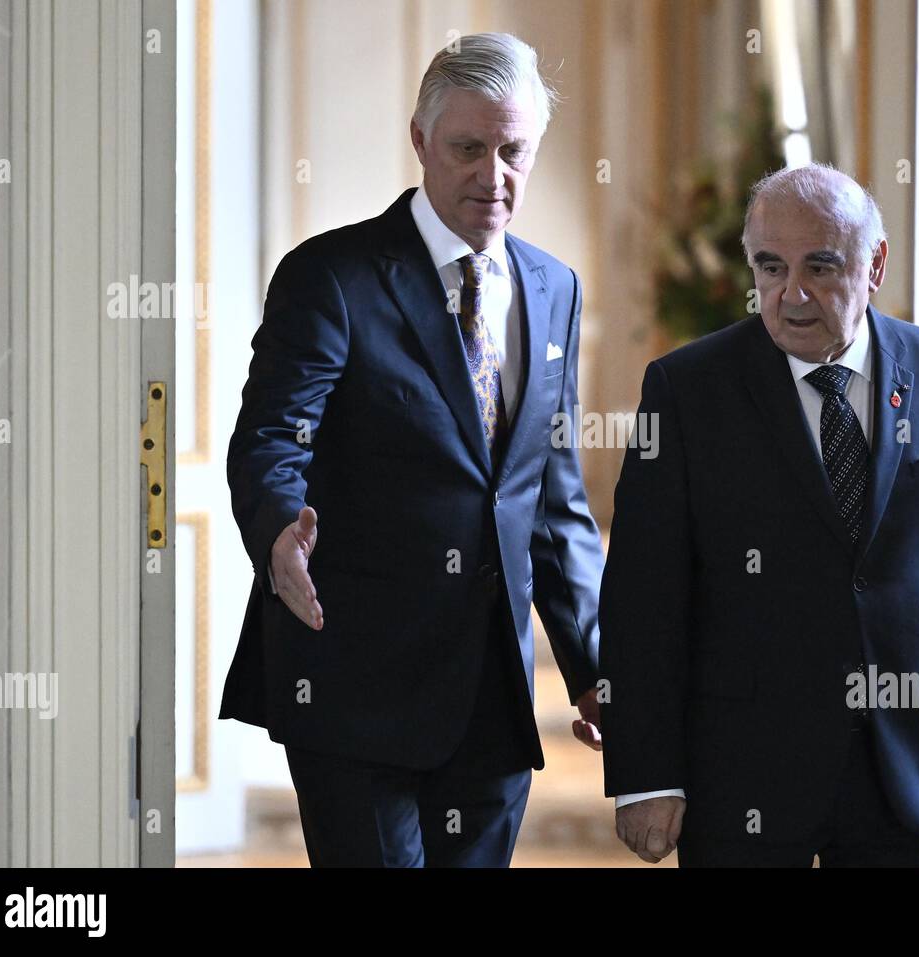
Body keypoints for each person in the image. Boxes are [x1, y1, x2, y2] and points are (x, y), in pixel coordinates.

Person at [220, 32, 605, 868]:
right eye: (469, 148)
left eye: (514, 152)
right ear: (421, 141)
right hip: (355, 679)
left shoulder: (554, 289)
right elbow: (271, 438)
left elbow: (553, 499)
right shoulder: (333, 277)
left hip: (493, 696)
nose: (493, 176)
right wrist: (279, 529)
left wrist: (595, 665)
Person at [599, 163, 919, 867]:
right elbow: (643, 599)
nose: (792, 294)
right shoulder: (687, 392)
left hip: (915, 769)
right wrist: (646, 775)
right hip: (744, 771)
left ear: (875, 265)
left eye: (820, 265)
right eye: (770, 267)